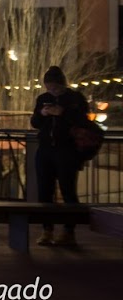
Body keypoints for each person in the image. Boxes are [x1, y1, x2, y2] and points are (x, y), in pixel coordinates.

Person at [30, 65, 89, 246]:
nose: (52, 91)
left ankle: (68, 231)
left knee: (68, 190)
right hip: (45, 149)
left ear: (62, 84)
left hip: (67, 150)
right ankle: (47, 230)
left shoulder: (75, 98)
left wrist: (62, 113)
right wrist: (42, 113)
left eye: (55, 87)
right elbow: (35, 122)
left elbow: (83, 121)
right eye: (49, 88)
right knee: (44, 190)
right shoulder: (43, 99)